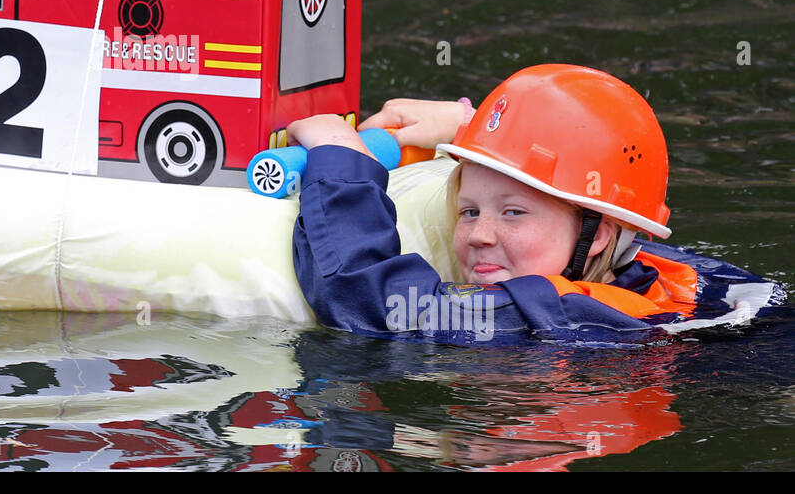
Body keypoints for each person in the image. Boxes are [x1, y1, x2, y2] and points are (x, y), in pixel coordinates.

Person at [287, 64, 707, 340]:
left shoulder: (557, 315)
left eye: (513, 213)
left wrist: (339, 158)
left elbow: (370, 303)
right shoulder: (664, 279)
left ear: (599, 236)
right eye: (469, 211)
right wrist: (466, 125)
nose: (478, 236)